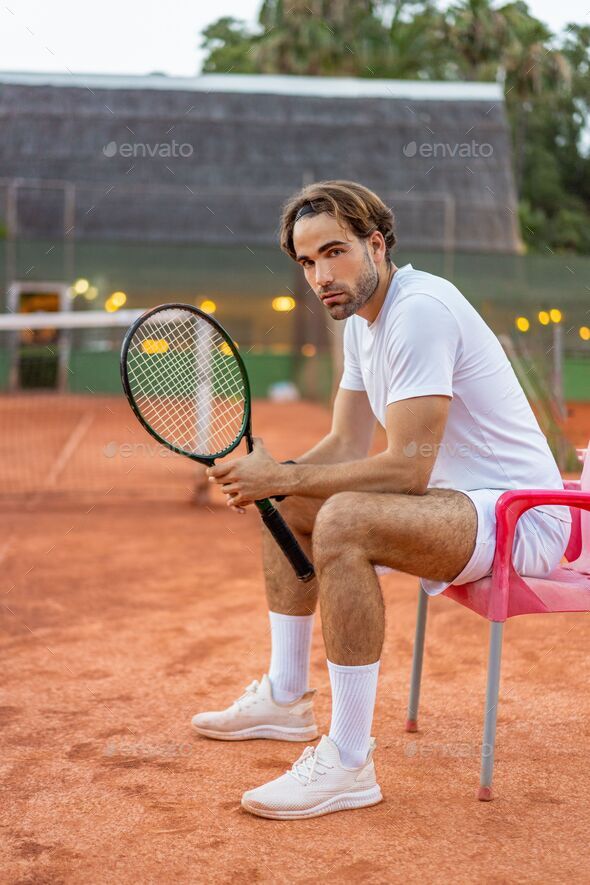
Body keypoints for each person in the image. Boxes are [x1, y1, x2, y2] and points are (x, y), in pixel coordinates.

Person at [193, 180, 571, 820]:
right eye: (307, 262)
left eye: (334, 252)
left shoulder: (420, 310)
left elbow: (406, 471)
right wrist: (272, 479)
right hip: (456, 506)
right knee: (290, 504)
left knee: (345, 520)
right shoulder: (362, 326)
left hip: (521, 517)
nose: (321, 276)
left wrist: (278, 473)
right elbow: (345, 443)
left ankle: (346, 761)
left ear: (375, 244)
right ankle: (287, 698)